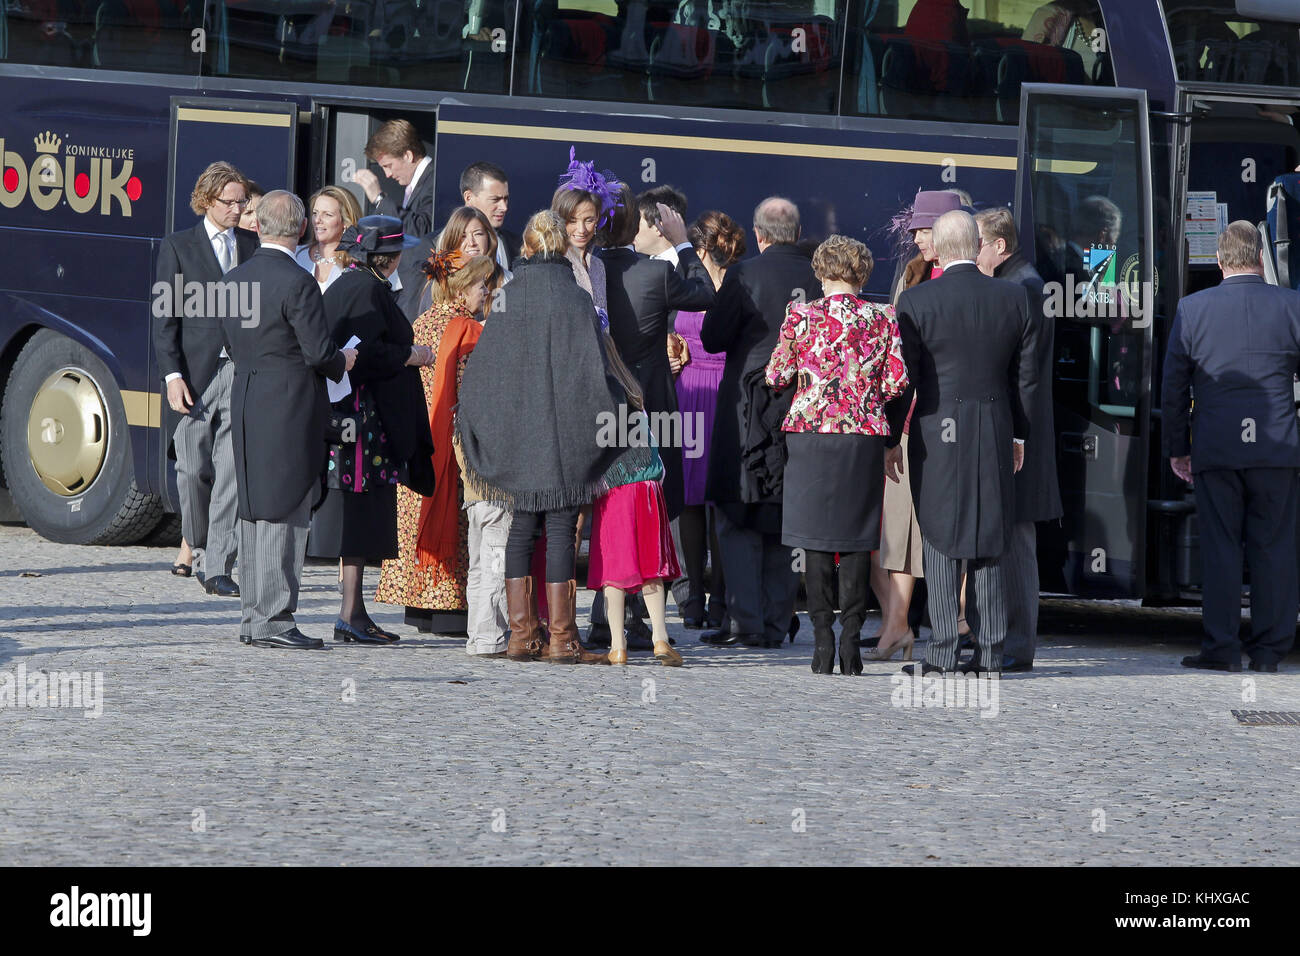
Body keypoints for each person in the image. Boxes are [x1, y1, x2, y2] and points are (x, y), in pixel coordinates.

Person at [457, 209, 646, 666]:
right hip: (564, 435)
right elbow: (592, 373)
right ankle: (562, 640)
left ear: (525, 247)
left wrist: (491, 425)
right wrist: (617, 412)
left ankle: (522, 637)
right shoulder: (575, 298)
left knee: (522, 527)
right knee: (561, 530)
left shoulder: (507, 296)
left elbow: (482, 377)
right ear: (562, 246)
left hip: (520, 438)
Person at [886, 210, 1038, 676]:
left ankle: (943, 650)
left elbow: (902, 382)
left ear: (939, 247)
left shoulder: (916, 302)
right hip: (993, 426)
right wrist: (1018, 434)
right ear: (975, 246)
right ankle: (991, 653)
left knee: (937, 533)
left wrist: (891, 438)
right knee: (991, 535)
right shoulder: (1014, 299)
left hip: (935, 431)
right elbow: (1022, 379)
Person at [218, 190, 357, 649]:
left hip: (246, 399)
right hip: (289, 405)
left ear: (258, 225)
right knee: (284, 507)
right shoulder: (299, 282)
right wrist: (347, 359)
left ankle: (253, 618)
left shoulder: (234, 279)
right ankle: (275, 620)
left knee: (254, 509)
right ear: (299, 229)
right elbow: (319, 353)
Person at [1162, 221, 1300, 673]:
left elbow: (1174, 387)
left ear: (1219, 261)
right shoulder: (1292, 305)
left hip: (1216, 446)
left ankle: (1220, 647)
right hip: (1277, 448)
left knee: (1220, 547)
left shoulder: (1192, 308)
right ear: (1260, 257)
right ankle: (1269, 650)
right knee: (1274, 548)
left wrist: (1178, 447)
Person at [767, 235, 908, 674]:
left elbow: (776, 374)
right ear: (861, 273)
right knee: (855, 539)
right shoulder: (883, 317)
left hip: (809, 436)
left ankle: (822, 644)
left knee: (814, 538)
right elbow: (896, 383)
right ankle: (851, 643)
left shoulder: (801, 314)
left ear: (821, 272)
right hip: (862, 436)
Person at [699, 197, 821, 649]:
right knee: (787, 518)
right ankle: (775, 621)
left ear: (760, 234)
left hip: (747, 409)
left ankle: (746, 623)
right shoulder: (817, 275)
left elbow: (713, 337)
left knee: (737, 515)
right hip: (801, 408)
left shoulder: (744, 273)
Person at [308, 215, 435, 645]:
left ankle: (353, 611)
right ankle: (351, 614)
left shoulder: (352, 283)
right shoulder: (366, 289)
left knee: (358, 515)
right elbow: (365, 353)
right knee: (360, 512)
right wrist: (411, 354)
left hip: (356, 417)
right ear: (389, 256)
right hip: (363, 423)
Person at [377, 251, 497, 649]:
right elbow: (472, 391)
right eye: (482, 284)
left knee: (414, 520)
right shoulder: (467, 330)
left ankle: (420, 610)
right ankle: (448, 611)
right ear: (463, 287)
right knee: (455, 524)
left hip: (416, 439)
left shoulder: (424, 320)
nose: (487, 291)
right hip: (449, 444)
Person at [153, 161, 259, 598]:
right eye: (229, 202)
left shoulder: (254, 245)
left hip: (240, 370)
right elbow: (164, 317)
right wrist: (172, 374)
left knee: (232, 471)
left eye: (241, 202)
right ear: (206, 201)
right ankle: (197, 546)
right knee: (193, 468)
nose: (237, 209)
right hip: (195, 375)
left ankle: (219, 565)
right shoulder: (179, 246)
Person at [877, 188, 964, 650]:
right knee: (898, 527)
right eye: (915, 229)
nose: (917, 237)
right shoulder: (910, 274)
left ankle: (958, 620)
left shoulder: (971, 277)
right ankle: (898, 623)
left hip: (946, 416)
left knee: (949, 523)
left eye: (926, 229)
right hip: (908, 416)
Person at [975, 206, 1062, 672]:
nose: (972, 253)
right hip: (1019, 432)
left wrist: (1016, 437)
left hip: (1016, 435)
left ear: (999, 246)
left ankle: (1015, 643)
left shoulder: (1018, 288)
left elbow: (1022, 376)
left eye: (978, 244)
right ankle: (1004, 638)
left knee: (1014, 542)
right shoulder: (1022, 282)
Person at [598, 182, 715, 520]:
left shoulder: (587, 269)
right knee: (655, 499)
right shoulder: (655, 272)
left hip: (600, 398)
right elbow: (706, 293)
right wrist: (683, 243)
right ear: (635, 225)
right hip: (652, 400)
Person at [588, 335, 684, 667]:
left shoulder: (595, 389)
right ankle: (660, 638)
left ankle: (617, 645)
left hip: (613, 490)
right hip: (647, 487)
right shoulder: (632, 387)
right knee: (650, 568)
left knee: (615, 570)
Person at [673, 211, 745, 628]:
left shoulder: (732, 284)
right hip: (695, 389)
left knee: (709, 501)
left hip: (714, 390)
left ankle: (711, 597)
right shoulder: (694, 282)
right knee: (693, 499)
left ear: (702, 248)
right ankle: (700, 598)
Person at [353, 119, 434, 238]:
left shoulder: (434, 181)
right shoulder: (419, 183)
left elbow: (421, 231)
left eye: (388, 166)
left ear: (407, 156)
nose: (387, 174)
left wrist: (379, 199)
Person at [295, 185, 362, 293]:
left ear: (345, 222)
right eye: (315, 213)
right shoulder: (296, 255)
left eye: (327, 215)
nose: (317, 220)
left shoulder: (357, 263)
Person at [460, 161, 520, 268]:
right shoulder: (434, 245)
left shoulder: (518, 246)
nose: (504, 207)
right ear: (469, 197)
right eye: (495, 199)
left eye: (505, 199)